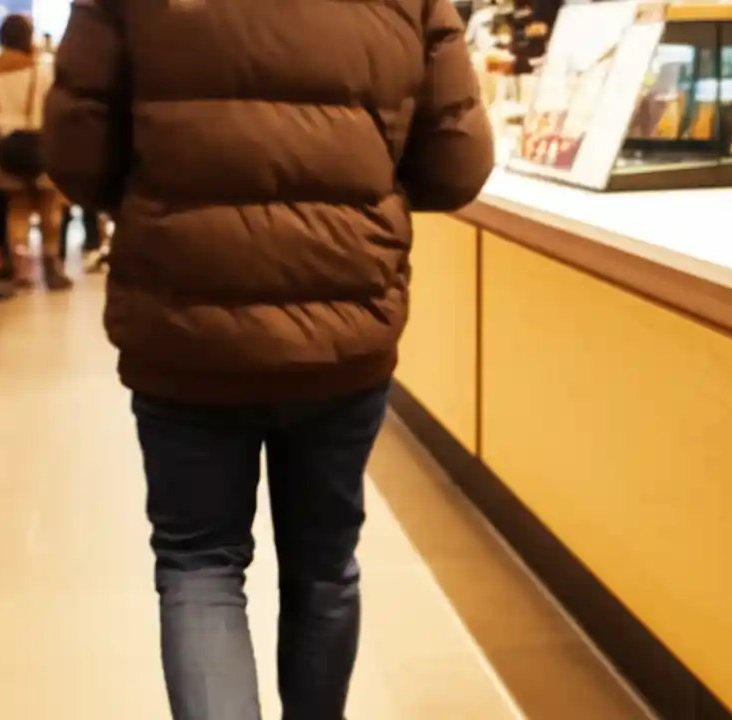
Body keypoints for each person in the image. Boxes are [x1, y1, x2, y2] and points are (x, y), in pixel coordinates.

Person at [44, 0, 494, 716]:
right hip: (341, 326)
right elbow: (458, 163)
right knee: (323, 567)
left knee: (199, 567)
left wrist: (161, 199)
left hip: (184, 327)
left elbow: (74, 153)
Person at [0, 14, 70, 291]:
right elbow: (57, 107)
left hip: (7, 151)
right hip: (43, 146)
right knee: (50, 208)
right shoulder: (42, 70)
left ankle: (22, 268)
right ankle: (51, 265)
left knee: (18, 209)